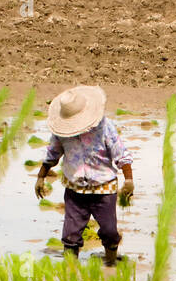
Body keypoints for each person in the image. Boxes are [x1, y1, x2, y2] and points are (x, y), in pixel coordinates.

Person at [35, 85, 133, 266]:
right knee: (71, 234)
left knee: (110, 231)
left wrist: (128, 180)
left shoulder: (104, 127)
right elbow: (52, 154)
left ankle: (110, 263)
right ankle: (71, 269)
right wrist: (41, 176)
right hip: (75, 189)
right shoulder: (61, 131)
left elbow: (121, 153)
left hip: (104, 188)